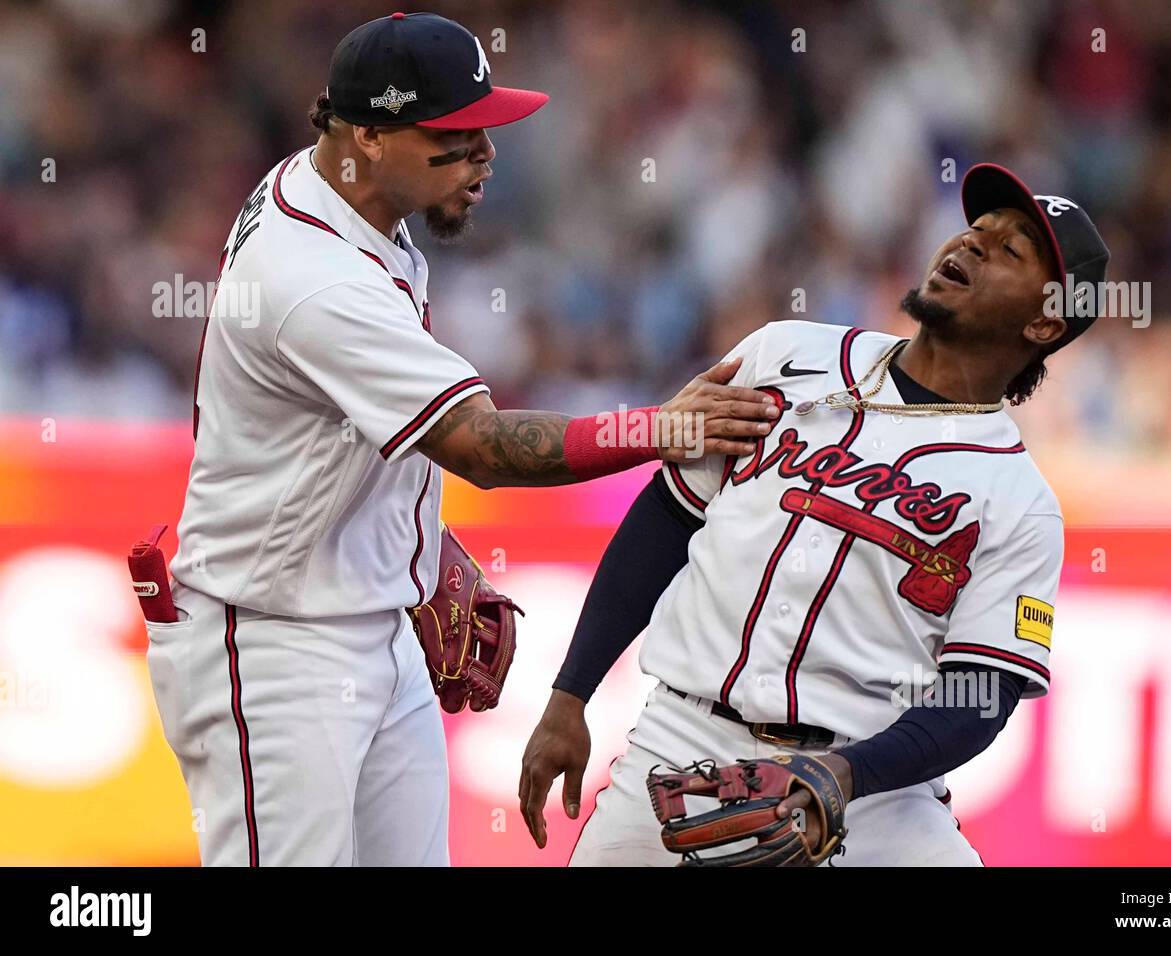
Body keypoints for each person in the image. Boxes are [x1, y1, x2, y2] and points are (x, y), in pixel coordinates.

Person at [143, 11, 777, 867]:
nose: (484, 154)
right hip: (269, 644)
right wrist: (661, 428)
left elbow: (339, 431)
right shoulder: (314, 276)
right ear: (366, 132)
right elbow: (477, 445)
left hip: (360, 617)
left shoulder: (342, 187)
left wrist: (412, 541)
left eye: (486, 128)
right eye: (455, 134)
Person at [518, 163, 1109, 865]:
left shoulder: (1018, 501)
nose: (974, 243)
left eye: (1011, 251)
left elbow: (983, 693)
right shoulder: (785, 354)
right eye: (976, 229)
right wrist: (570, 693)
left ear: (1046, 320)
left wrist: (852, 773)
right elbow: (668, 519)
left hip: (873, 794)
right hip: (684, 747)